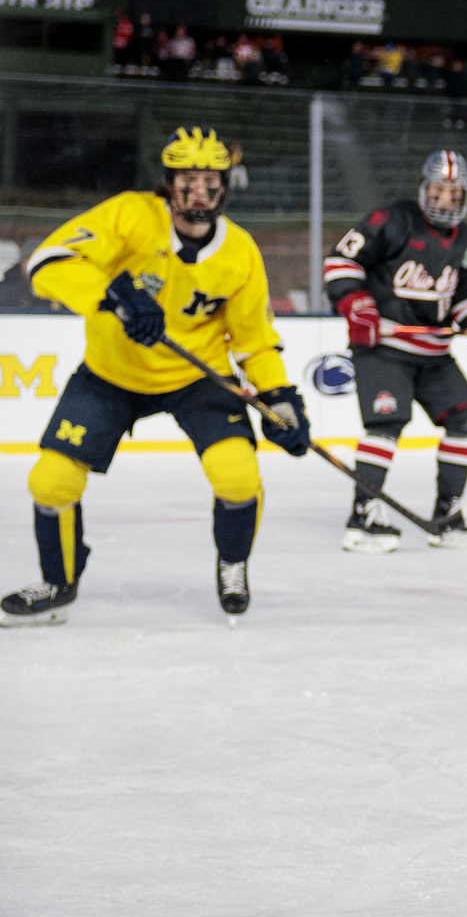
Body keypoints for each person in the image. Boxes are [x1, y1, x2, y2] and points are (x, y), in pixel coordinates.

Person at [6, 129, 307, 624]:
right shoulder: (130, 214)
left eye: (210, 181)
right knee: (51, 482)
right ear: (167, 184)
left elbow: (253, 340)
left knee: (238, 475)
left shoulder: (241, 252)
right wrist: (114, 296)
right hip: (111, 373)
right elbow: (48, 263)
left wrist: (281, 399)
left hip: (197, 377)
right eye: (186, 180)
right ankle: (58, 582)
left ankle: (233, 563)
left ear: (226, 186)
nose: (198, 192)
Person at [323, 152, 467, 552]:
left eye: (452, 193)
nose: (444, 201)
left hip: (434, 353)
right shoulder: (392, 221)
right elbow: (341, 261)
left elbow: (465, 302)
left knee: (464, 415)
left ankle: (448, 513)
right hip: (385, 347)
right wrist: (356, 305)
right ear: (422, 189)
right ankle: (362, 517)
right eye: (437, 191)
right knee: (386, 424)